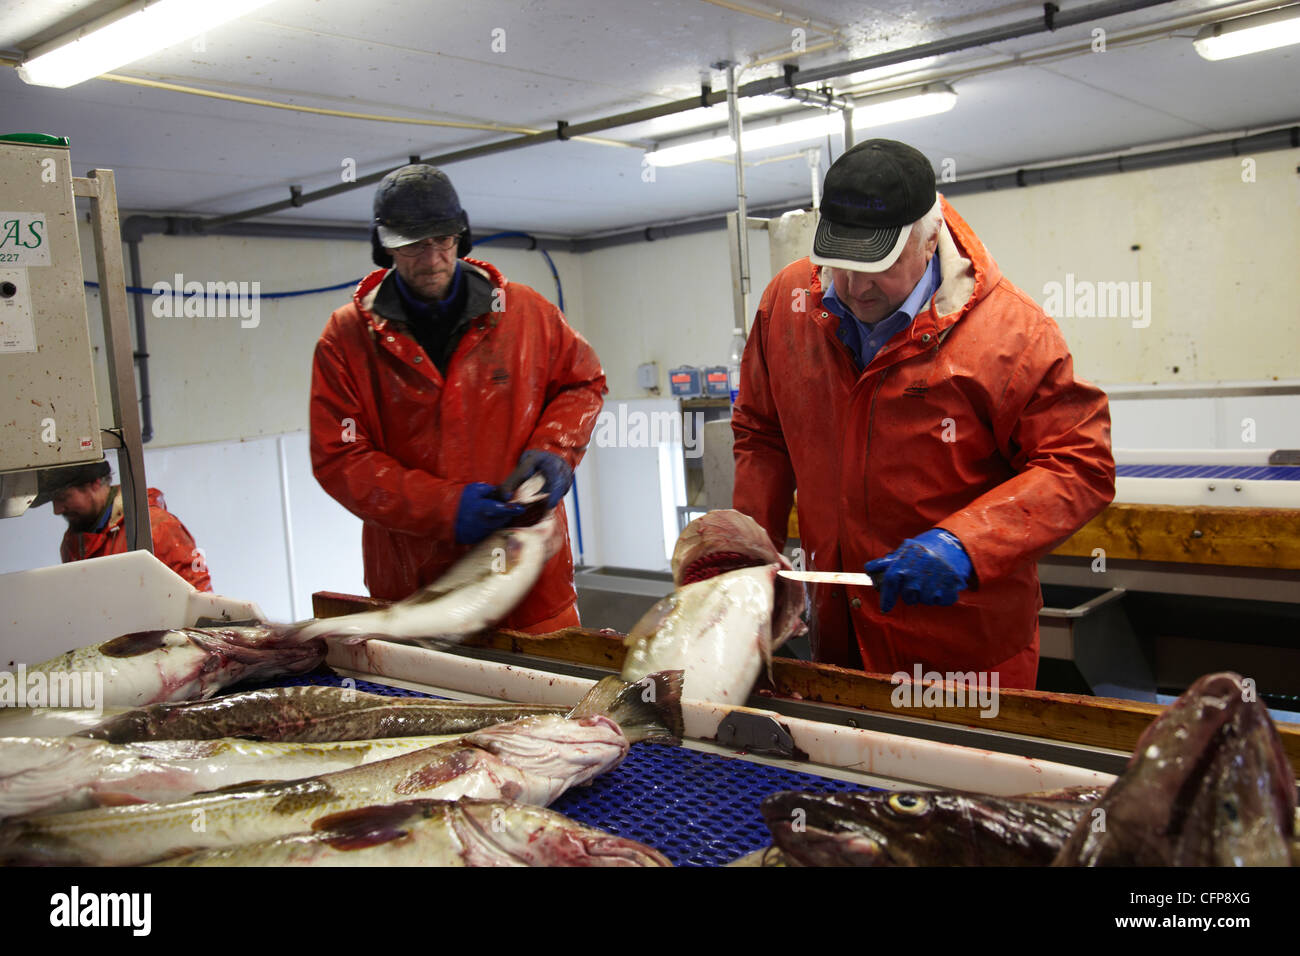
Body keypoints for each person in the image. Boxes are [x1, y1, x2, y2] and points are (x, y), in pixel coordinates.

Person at [732, 139, 1115, 689]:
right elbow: (762, 433)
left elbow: (1080, 465)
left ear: (931, 237)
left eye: (878, 267)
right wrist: (750, 555)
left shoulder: (1012, 334)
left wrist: (968, 543)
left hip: (967, 660)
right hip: (838, 643)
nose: (855, 288)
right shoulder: (787, 304)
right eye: (839, 263)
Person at [310, 164, 605, 633]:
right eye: (411, 245)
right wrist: (444, 508)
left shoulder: (525, 312)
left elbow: (582, 382)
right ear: (384, 247)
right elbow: (339, 457)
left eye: (441, 240)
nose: (430, 259)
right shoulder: (346, 339)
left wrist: (556, 451)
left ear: (461, 236)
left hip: (532, 592)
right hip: (417, 596)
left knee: (553, 704)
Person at [33, 460, 213, 591]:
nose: (57, 510)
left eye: (63, 498)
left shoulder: (158, 526)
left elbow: (198, 594)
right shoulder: (73, 541)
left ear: (94, 484)